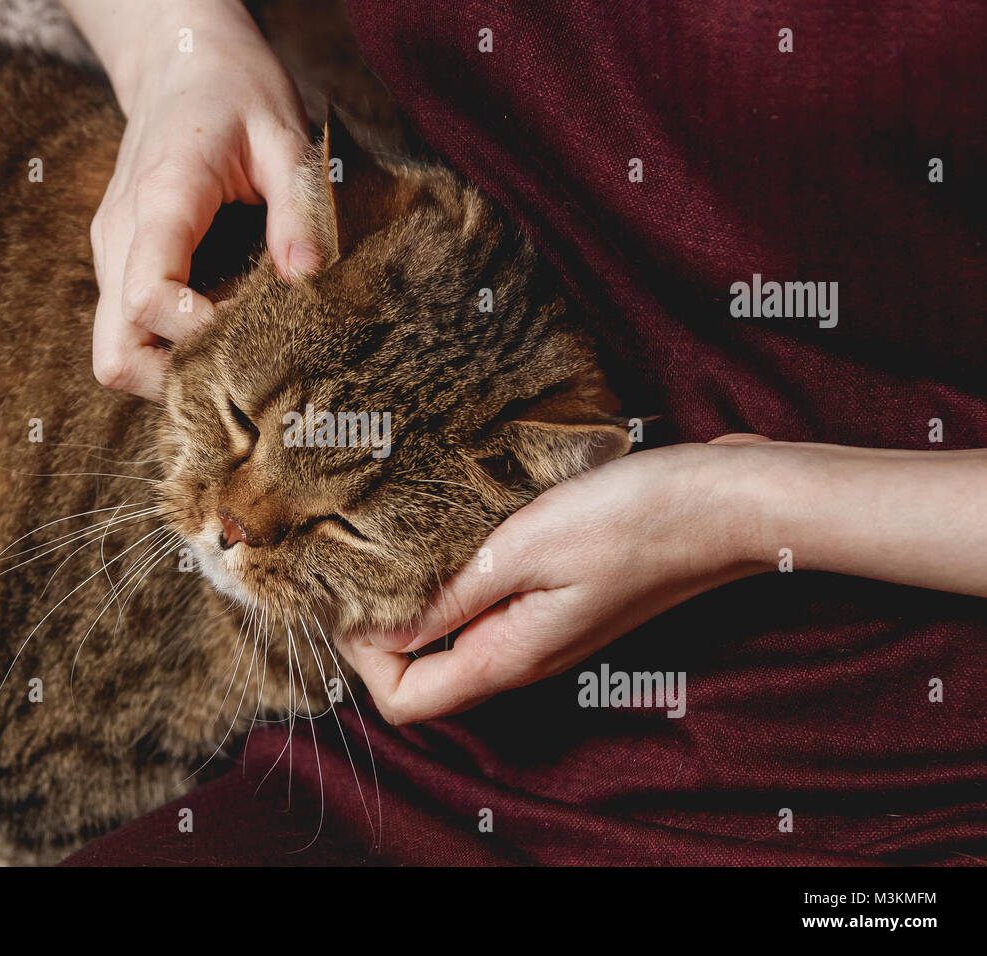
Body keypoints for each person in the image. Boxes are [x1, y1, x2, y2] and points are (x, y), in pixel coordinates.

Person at [63, 0, 987, 728]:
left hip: (867, 676)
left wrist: (743, 511)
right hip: (471, 629)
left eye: (334, 520)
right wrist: (179, 42)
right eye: (240, 423)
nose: (235, 526)